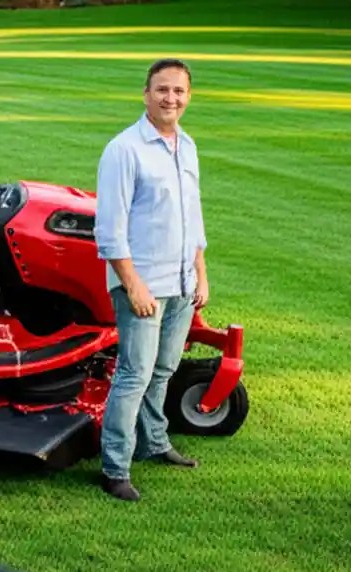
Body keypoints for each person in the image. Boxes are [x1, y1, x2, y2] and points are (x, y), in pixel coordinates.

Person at [93, 58, 208, 502]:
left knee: (163, 369)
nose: (170, 98)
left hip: (181, 281)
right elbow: (109, 230)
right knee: (133, 374)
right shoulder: (124, 150)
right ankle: (115, 468)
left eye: (179, 91)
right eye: (162, 89)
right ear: (146, 94)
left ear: (188, 97)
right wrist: (133, 285)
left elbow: (191, 217)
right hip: (143, 283)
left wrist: (200, 272)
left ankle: (154, 443)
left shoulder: (187, 146)